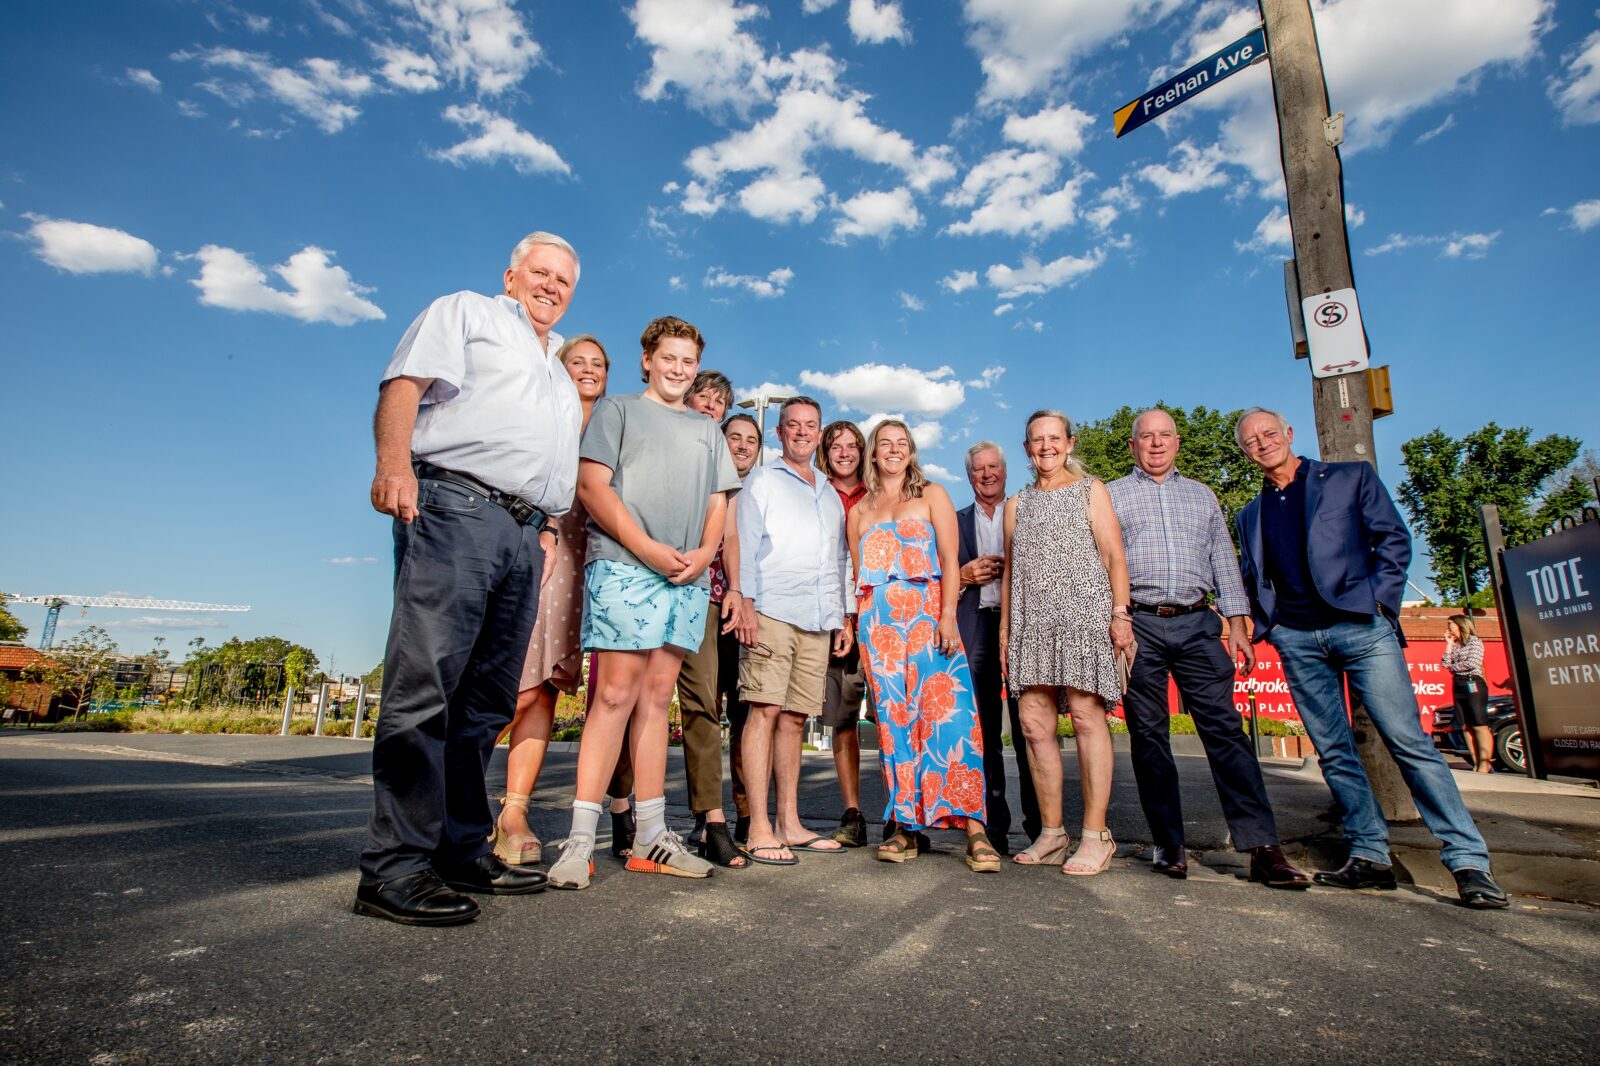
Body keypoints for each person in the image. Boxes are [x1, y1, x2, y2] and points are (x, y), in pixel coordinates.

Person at [355, 231, 579, 925]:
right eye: (540, 274)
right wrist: (394, 465)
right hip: (456, 505)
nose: (550, 287)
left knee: (484, 704)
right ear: (511, 276)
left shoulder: (556, 367)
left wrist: (541, 534)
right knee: (426, 687)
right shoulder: (467, 313)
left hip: (523, 532)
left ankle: (456, 847)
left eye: (563, 281)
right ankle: (395, 866)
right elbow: (404, 386)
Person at [1233, 407, 1508, 908]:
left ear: (1289, 435)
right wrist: (1263, 625)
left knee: (1409, 743)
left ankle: (1469, 862)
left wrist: (1380, 605)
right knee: (1334, 751)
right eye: (1251, 440)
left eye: (1269, 433)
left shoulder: (1348, 478)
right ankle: (1370, 855)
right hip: (1296, 639)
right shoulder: (1249, 514)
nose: (1262, 443)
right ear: (1245, 451)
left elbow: (1393, 539)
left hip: (1360, 627)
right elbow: (1255, 580)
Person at [545, 317, 741, 890]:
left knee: (658, 702)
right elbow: (592, 487)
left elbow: (716, 504)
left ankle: (653, 836)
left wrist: (705, 552)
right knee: (612, 696)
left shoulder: (708, 431)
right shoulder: (619, 412)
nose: (679, 369)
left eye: (688, 361)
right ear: (648, 361)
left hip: (685, 576)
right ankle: (581, 839)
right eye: (669, 358)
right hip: (627, 566)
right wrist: (649, 548)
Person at [1106, 409, 1309, 888]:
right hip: (1139, 624)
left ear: (1177, 443)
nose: (1156, 444)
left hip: (1198, 622)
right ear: (1133, 447)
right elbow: (1103, 561)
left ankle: (1263, 847)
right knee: (1150, 736)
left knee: (1226, 732)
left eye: (1164, 436)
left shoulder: (1202, 495)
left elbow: (1223, 556)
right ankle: (1168, 842)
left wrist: (1237, 620)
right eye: (1146, 438)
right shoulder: (1111, 495)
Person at [850, 420, 1000, 872]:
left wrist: (949, 615)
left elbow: (951, 563)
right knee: (895, 726)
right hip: (879, 628)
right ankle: (904, 826)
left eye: (902, 443)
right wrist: (864, 638)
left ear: (911, 451)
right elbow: (861, 583)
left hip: (932, 618)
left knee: (949, 717)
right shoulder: (858, 511)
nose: (893, 450)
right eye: (885, 444)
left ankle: (975, 829)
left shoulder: (932, 495)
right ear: (873, 453)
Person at [491, 335, 610, 867]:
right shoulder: (542, 415)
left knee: (543, 691)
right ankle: (448, 794)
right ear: (559, 370)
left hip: (592, 562)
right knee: (511, 687)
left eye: (598, 364)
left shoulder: (611, 427)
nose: (588, 370)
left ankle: (513, 813)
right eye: (577, 362)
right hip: (543, 550)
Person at [1001, 409, 1133, 876]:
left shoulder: (1090, 490)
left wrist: (1120, 614)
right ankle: (1053, 833)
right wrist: (1005, 632)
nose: (1046, 447)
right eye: (1037, 440)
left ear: (1069, 443)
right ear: (1026, 448)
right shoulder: (1016, 504)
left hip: (1085, 618)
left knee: (1084, 718)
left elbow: (1115, 555)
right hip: (1031, 625)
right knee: (1035, 727)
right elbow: (1012, 573)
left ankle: (1097, 835)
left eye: (1054, 438)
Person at [734, 396, 852, 864]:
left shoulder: (827, 490)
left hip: (817, 617)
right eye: (793, 425)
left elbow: (838, 558)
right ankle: (759, 826)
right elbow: (743, 542)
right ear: (780, 433)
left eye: (811, 425)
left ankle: (789, 821)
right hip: (772, 610)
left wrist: (841, 614)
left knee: (796, 718)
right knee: (763, 710)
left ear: (819, 433)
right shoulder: (762, 480)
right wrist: (744, 601)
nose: (803, 432)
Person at [674, 369, 748, 868]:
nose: (712, 404)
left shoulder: (722, 465)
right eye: (705, 395)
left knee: (703, 704)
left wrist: (735, 589)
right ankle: (619, 811)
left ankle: (710, 819)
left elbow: (732, 538)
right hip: (648, 578)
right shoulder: (660, 435)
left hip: (707, 594)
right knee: (633, 699)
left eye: (721, 400)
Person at [955, 441, 1038, 855]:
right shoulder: (953, 522)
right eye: (978, 469)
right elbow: (938, 578)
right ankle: (992, 827)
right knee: (982, 732)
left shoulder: (1027, 512)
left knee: (1031, 729)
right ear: (969, 475)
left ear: (1005, 471)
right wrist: (964, 574)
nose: (986, 474)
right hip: (976, 631)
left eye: (993, 467)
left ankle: (1041, 826)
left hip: (1023, 627)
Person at [815, 419, 874, 848]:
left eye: (854, 445)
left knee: (894, 719)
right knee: (843, 721)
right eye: (837, 445)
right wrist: (843, 617)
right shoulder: (817, 494)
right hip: (837, 619)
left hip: (883, 616)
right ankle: (853, 813)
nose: (845, 451)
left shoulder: (878, 495)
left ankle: (902, 814)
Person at [718, 413, 763, 844]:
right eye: (736, 437)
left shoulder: (761, 489)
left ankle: (747, 815)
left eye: (751, 439)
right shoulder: (702, 476)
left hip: (746, 612)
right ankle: (704, 814)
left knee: (744, 713)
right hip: (704, 602)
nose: (743, 445)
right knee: (698, 711)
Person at [1443, 614, 1494, 774]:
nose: (1448, 628)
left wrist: (1453, 666)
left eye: (1451, 624)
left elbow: (1472, 663)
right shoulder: (1456, 645)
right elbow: (1445, 663)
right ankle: (1476, 762)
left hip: (1473, 683)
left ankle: (1485, 764)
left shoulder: (1475, 642)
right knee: (1466, 726)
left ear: (1460, 625)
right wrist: (1449, 645)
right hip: (1458, 684)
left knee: (1479, 724)